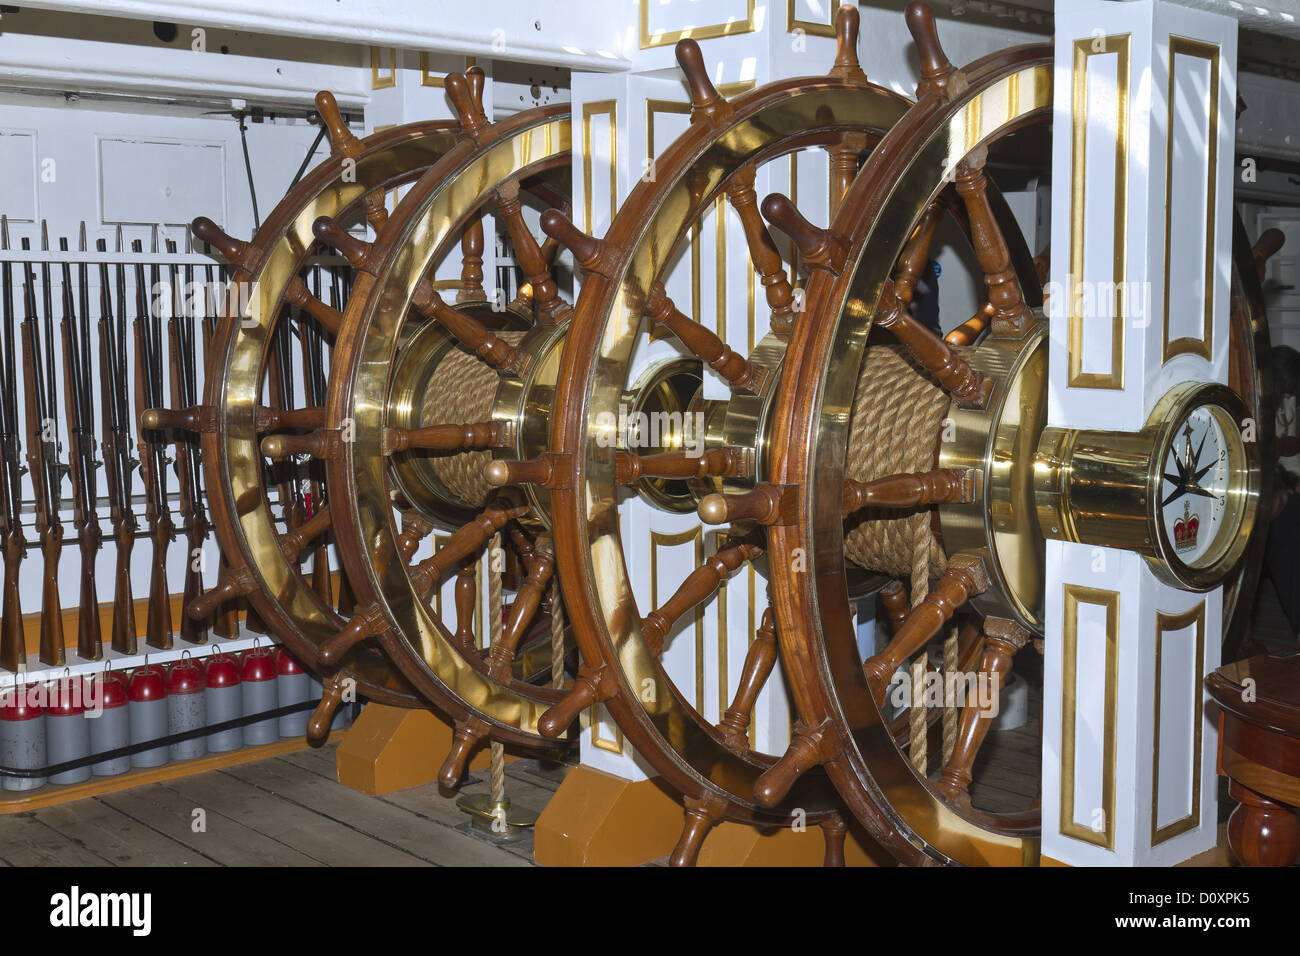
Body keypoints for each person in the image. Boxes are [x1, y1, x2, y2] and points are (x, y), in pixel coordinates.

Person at [1263, 345, 1300, 639]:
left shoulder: (1287, 398)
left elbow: (1291, 458)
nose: (1289, 397)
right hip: (1266, 488)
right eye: (1285, 390)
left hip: (1284, 483)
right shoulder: (1258, 400)